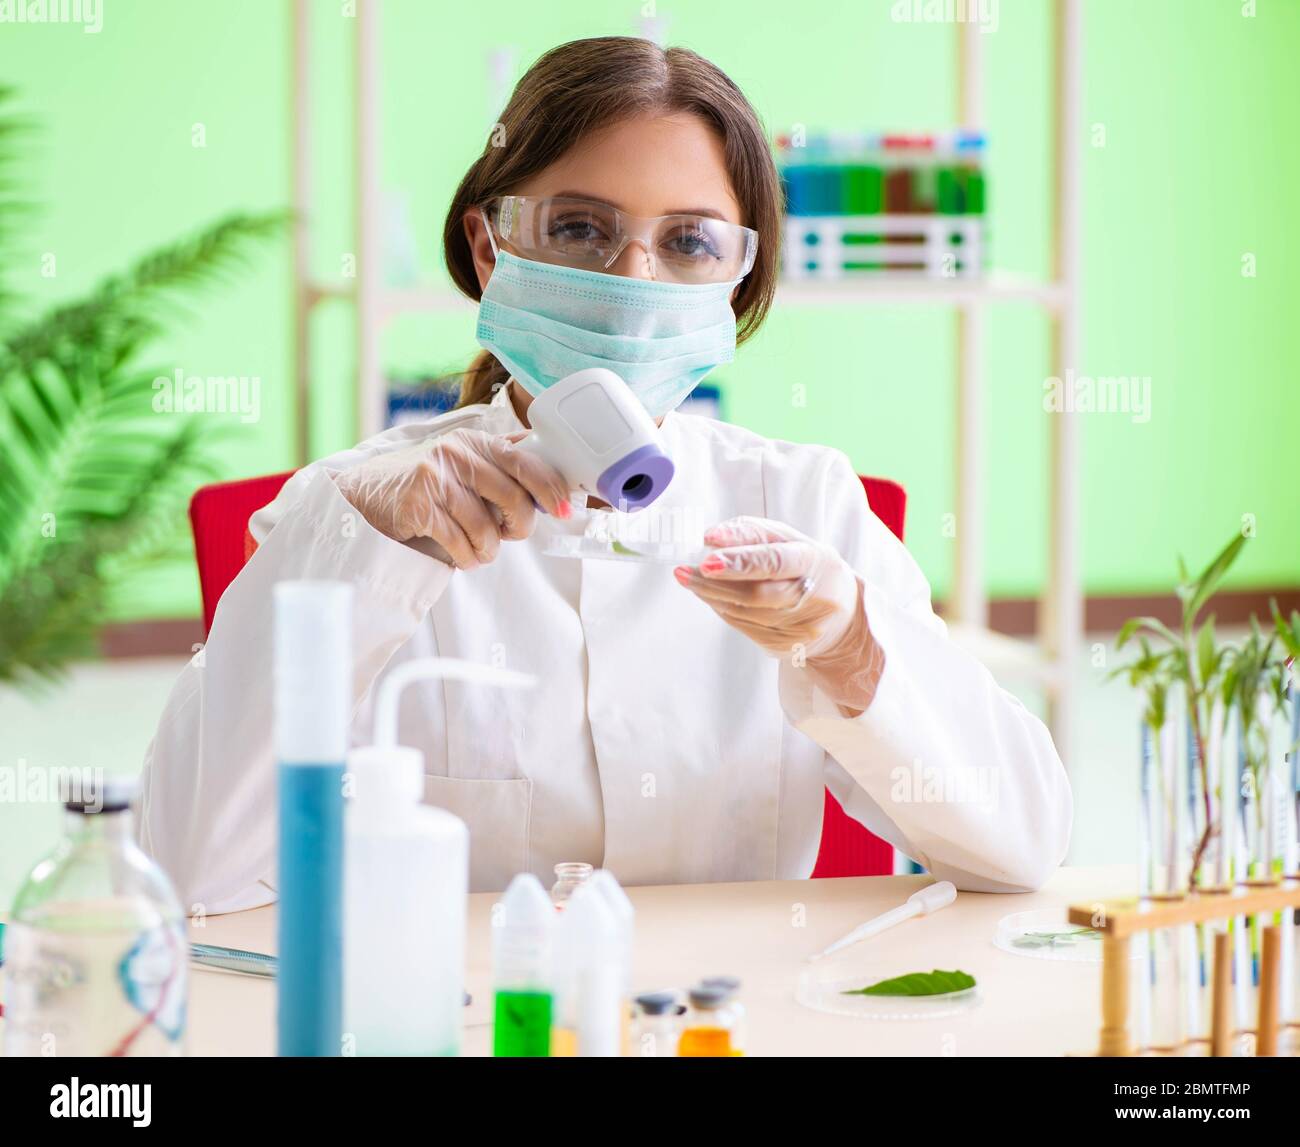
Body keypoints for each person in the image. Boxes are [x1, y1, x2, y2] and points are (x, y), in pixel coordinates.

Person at [139, 36, 1070, 912]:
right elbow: (186, 871)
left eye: (690, 241)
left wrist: (851, 649)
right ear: (489, 246)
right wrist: (356, 553)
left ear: (736, 283)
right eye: (582, 227)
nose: (634, 281)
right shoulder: (358, 509)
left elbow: (1025, 846)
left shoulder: (804, 503)